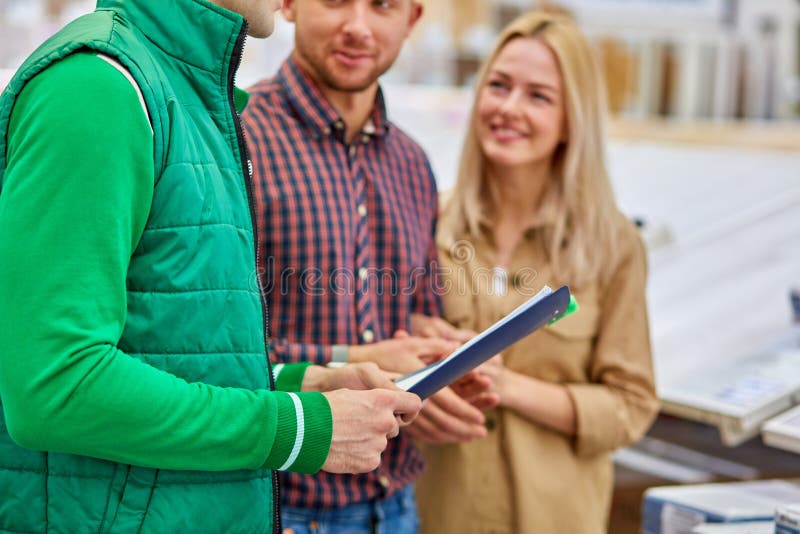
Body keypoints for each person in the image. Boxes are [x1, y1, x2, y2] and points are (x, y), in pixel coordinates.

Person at [0, 0, 424, 532]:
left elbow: (167, 349)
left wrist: (300, 383)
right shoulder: (98, 84)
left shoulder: (186, 92)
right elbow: (56, 387)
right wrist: (298, 426)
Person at [240, 0, 495, 531]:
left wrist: (438, 368)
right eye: (335, 1)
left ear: (412, 19)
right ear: (286, 5)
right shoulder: (238, 139)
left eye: (382, 5)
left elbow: (417, 316)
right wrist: (355, 358)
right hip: (283, 505)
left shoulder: (412, 164)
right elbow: (209, 357)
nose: (357, 26)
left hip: (397, 505)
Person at [416, 11, 661, 534]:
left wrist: (507, 386)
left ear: (573, 119)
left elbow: (631, 407)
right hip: (438, 515)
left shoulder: (614, 246)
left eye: (538, 96)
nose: (509, 108)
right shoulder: (426, 222)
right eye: (498, 86)